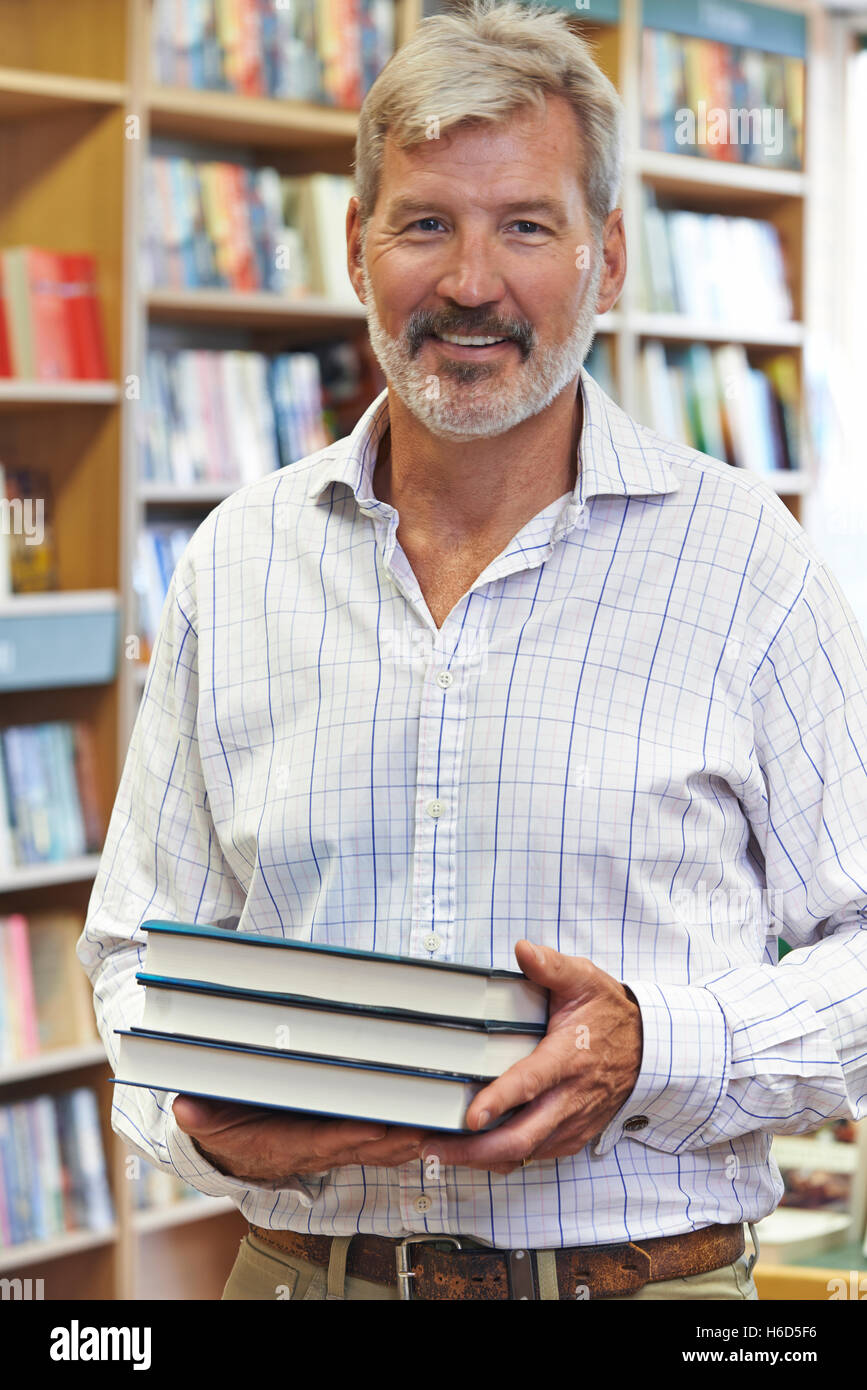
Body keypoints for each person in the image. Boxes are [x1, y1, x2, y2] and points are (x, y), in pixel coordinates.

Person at [78, 0, 867, 1301]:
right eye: (427, 221)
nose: (470, 281)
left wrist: (655, 1043)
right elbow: (133, 954)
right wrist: (194, 1114)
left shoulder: (745, 562)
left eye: (527, 226)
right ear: (356, 246)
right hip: (300, 1274)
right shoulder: (238, 558)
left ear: (609, 260)